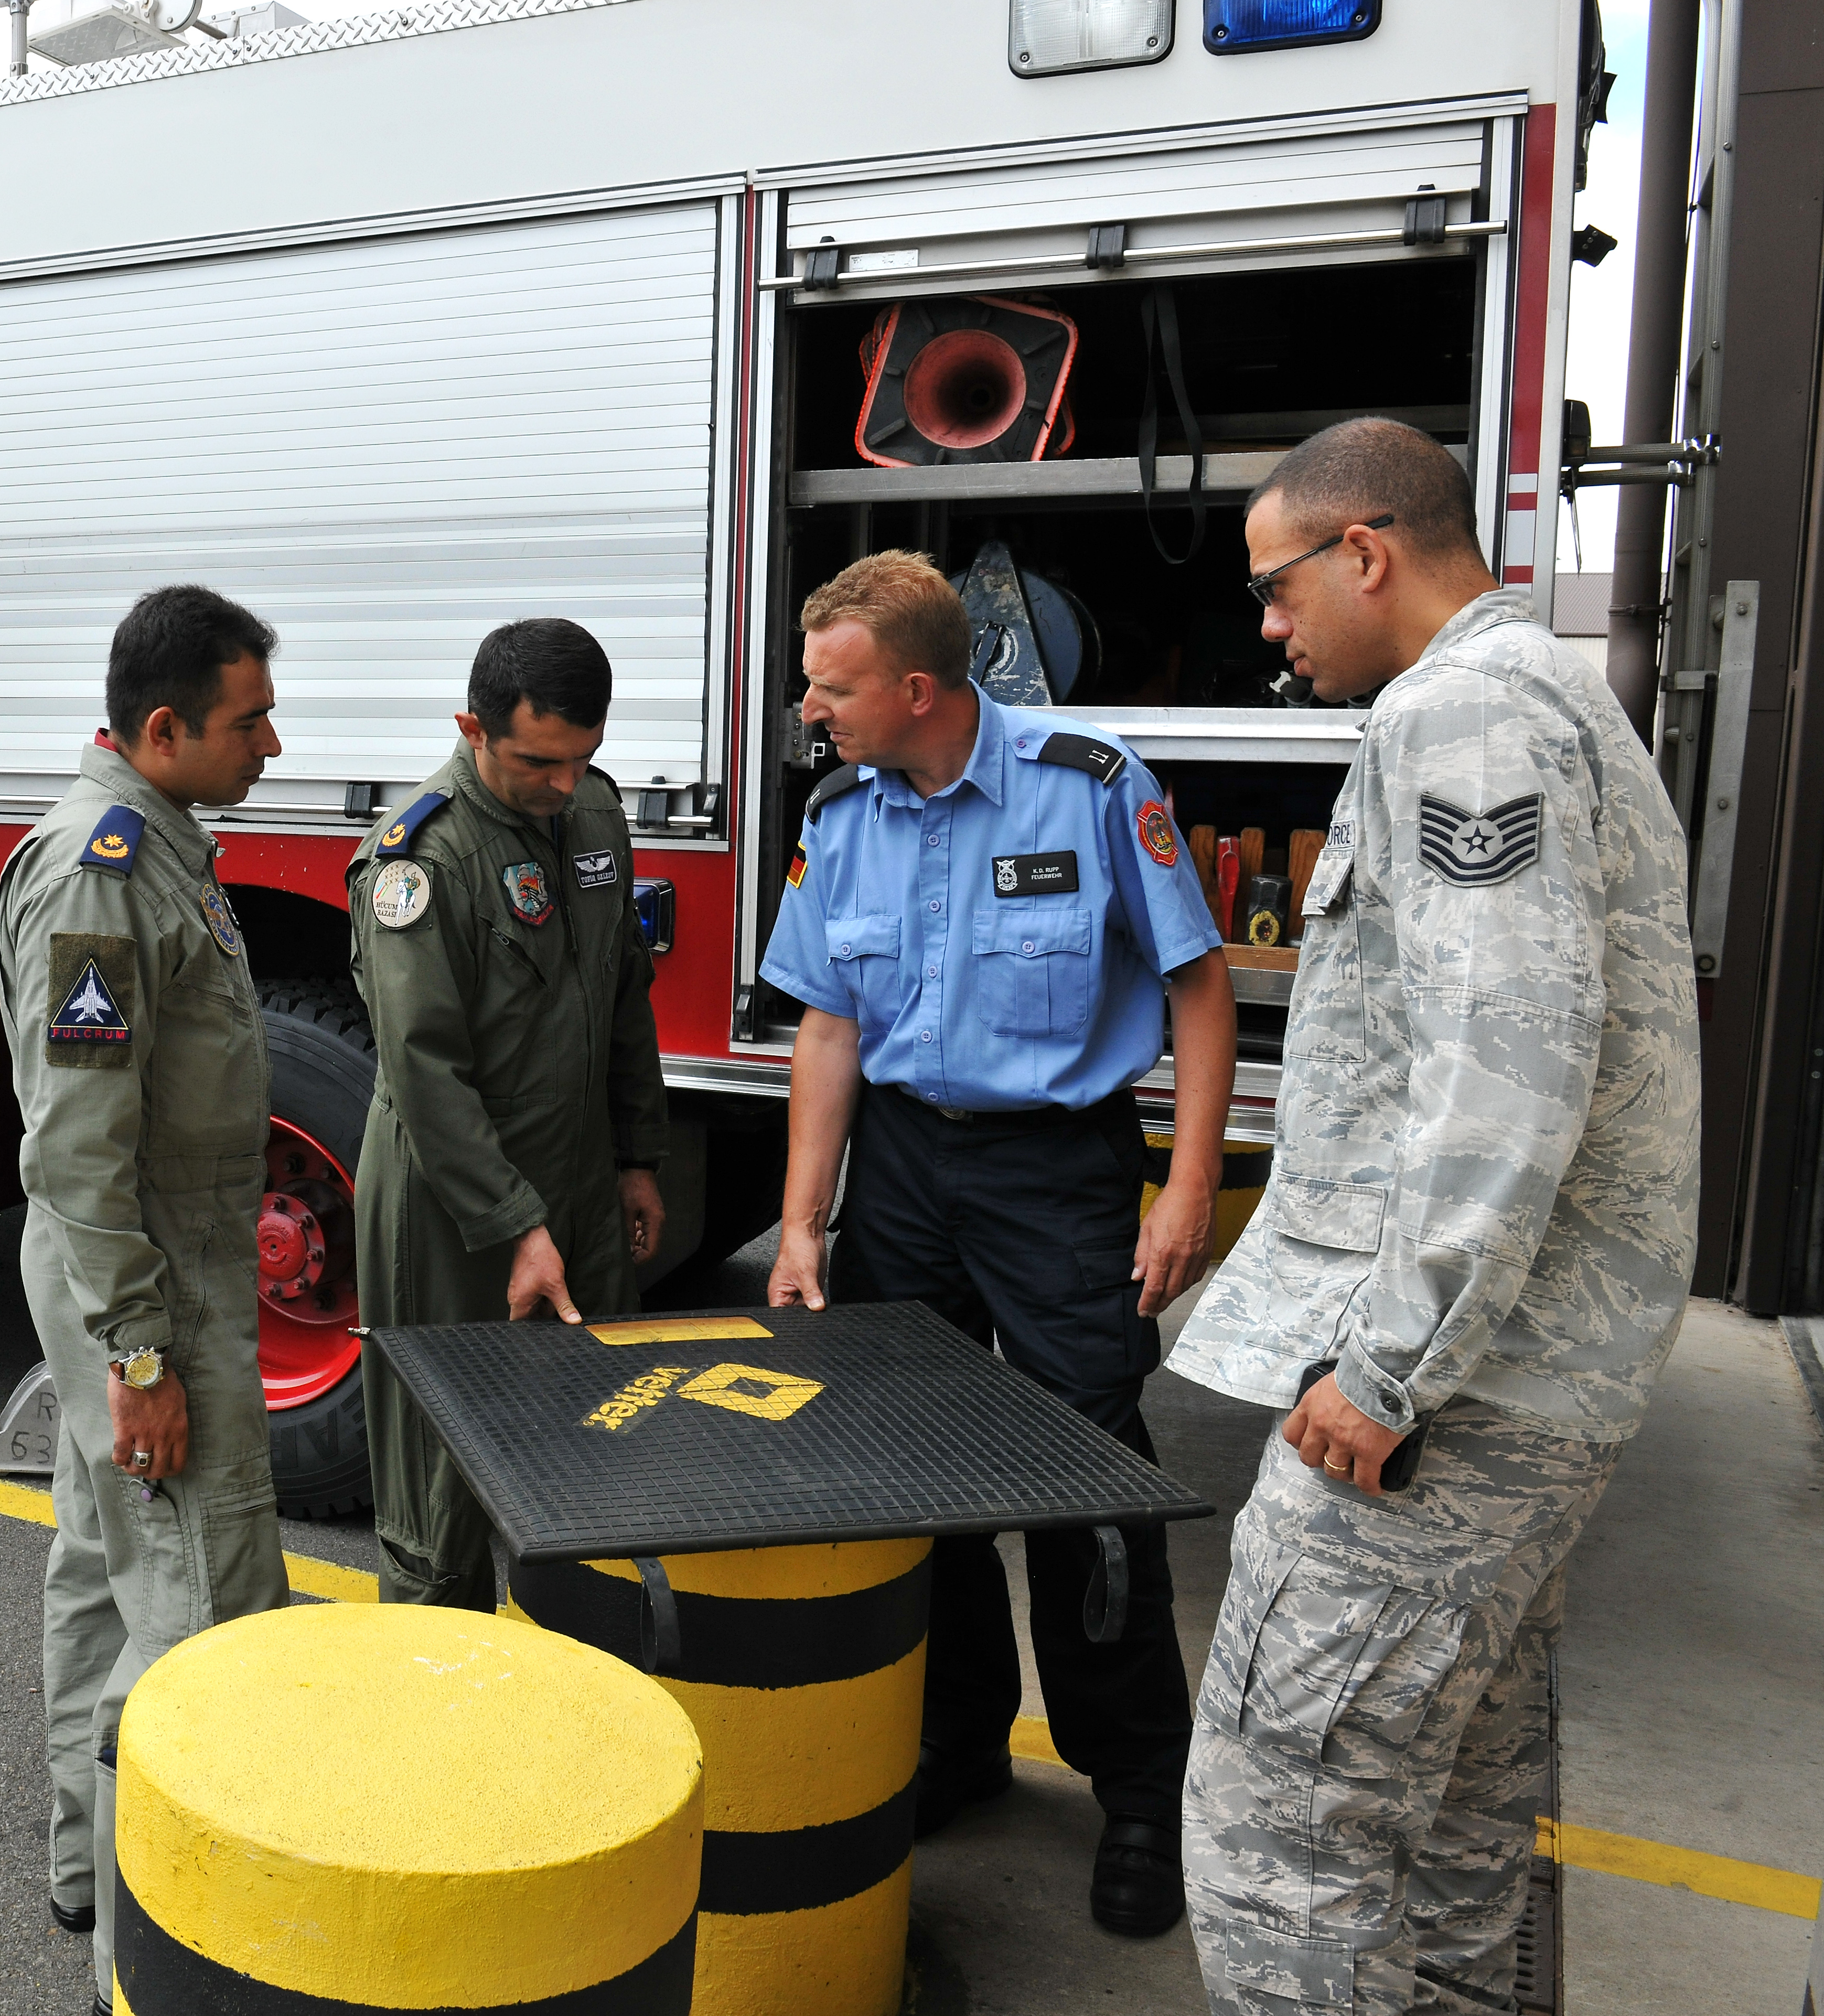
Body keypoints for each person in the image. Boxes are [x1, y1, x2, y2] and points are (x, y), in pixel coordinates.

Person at [1168, 419, 1697, 2015]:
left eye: (1276, 589)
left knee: (1282, 1836)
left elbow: (1503, 1069)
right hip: (1534, 1381)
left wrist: (1389, 1368)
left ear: (1365, 553)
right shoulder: (1552, 699)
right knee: (1455, 1824)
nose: (1272, 628)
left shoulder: (1460, 714)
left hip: (1452, 1401)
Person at [758, 548, 1235, 1939]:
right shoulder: (842, 811)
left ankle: (1140, 1789)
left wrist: (1187, 1187)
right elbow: (830, 1029)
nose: (808, 710)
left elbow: (1199, 983)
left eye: (832, 688)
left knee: (1088, 1478)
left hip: (1058, 1170)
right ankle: (956, 1740)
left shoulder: (1090, 785)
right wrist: (802, 1224)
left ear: (919, 689)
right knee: (912, 1470)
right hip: (906, 1167)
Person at [0, 585, 293, 2012]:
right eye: (250, 722)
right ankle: (159, 1961)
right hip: (147, 1276)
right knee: (196, 1607)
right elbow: (78, 1143)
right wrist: (144, 1355)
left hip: (137, 1268)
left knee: (104, 1565)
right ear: (163, 728)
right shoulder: (104, 871)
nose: (272, 746)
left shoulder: (151, 840)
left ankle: (86, 1869)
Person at [348, 617, 670, 1610]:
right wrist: (516, 1227)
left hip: (579, 1173)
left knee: (591, 1437)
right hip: (454, 1208)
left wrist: (637, 1157)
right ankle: (436, 1685)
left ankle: (568, 1672)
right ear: (473, 729)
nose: (565, 784)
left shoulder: (595, 814)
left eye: (583, 757)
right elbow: (426, 1073)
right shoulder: (422, 862)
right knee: (442, 1490)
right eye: (538, 762)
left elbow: (622, 995)